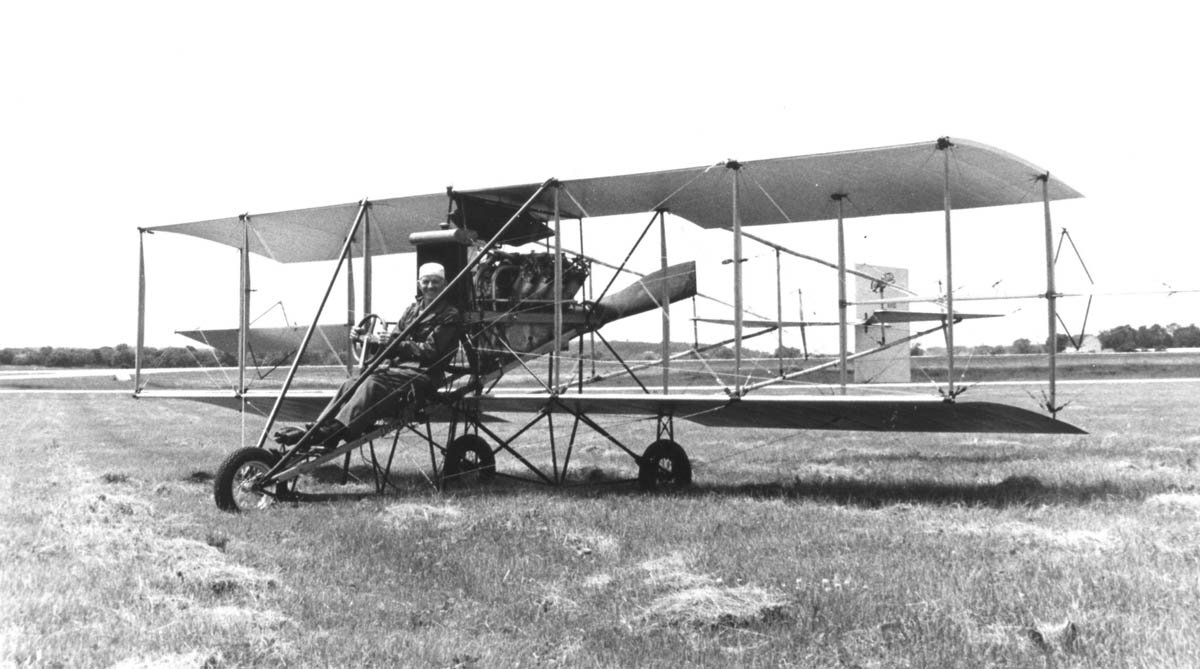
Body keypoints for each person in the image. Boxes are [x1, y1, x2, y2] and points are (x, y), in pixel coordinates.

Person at [281, 262, 463, 452]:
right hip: (397, 372)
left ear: (445, 284)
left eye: (436, 282)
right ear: (419, 284)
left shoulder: (450, 315)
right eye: (426, 282)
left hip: (423, 376)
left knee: (372, 382)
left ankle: (335, 431)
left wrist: (395, 343)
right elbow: (391, 344)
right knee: (351, 383)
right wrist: (364, 338)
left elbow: (430, 352)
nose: (431, 286)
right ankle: (318, 429)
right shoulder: (411, 310)